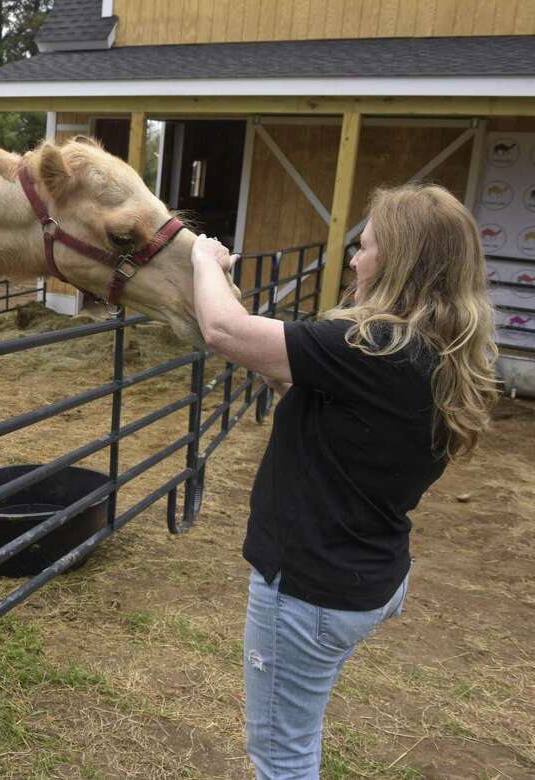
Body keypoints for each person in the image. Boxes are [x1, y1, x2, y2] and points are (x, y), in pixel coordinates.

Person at [190, 183, 497, 779]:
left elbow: (225, 333)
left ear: (402, 259)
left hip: (309, 590)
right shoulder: (430, 350)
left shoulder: (375, 348)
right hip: (367, 572)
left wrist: (203, 260)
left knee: (283, 757)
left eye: (366, 246)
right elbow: (311, 391)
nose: (354, 259)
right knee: (297, 722)